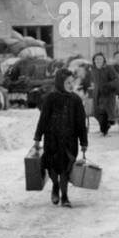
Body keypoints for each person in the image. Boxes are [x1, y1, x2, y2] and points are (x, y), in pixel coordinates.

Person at [32, 67, 88, 208]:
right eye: (67, 82)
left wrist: (84, 141)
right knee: (52, 168)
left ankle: (65, 197)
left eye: (72, 82)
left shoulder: (76, 100)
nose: (71, 85)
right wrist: (38, 137)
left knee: (65, 169)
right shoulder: (51, 98)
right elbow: (43, 119)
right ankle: (55, 186)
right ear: (60, 82)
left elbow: (81, 123)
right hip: (52, 140)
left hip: (69, 142)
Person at [90, 52, 119, 136]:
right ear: (94, 60)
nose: (98, 61)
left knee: (104, 111)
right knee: (98, 113)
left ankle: (104, 130)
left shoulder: (109, 68)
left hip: (107, 94)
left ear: (104, 60)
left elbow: (116, 80)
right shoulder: (93, 69)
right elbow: (92, 81)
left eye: (100, 59)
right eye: (96, 59)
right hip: (97, 95)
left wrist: (108, 86)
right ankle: (105, 128)